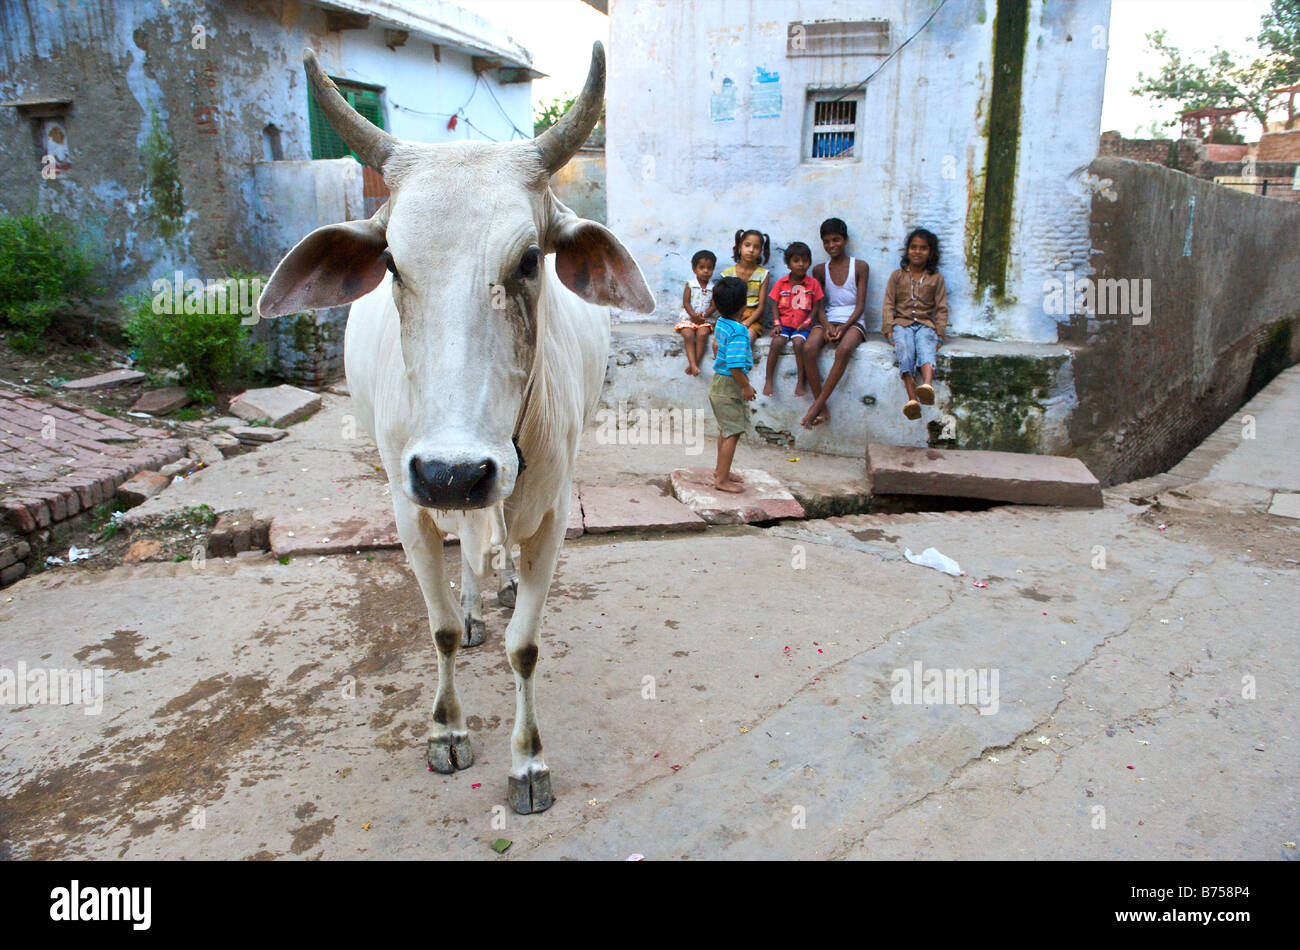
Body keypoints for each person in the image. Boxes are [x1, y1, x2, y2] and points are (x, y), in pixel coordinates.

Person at [801, 218, 869, 428]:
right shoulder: (819, 270)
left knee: (844, 349)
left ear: (845, 240)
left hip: (853, 320)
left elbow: (860, 306)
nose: (832, 245)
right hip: (828, 318)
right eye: (827, 241)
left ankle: (816, 406)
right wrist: (828, 325)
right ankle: (824, 409)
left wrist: (844, 327)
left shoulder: (860, 267)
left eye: (836, 240)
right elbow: (819, 305)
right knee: (809, 348)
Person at [882, 228, 948, 420]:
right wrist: (889, 332)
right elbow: (888, 303)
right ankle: (912, 399)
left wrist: (941, 335)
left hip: (926, 324)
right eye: (913, 247)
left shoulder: (936, 278)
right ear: (907, 250)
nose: (917, 252)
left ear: (931, 253)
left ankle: (927, 385)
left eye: (923, 248)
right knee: (905, 351)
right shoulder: (897, 276)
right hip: (901, 324)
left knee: (927, 345)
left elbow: (941, 307)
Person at [707, 276, 756, 493]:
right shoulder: (739, 331)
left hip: (719, 383)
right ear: (744, 305)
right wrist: (745, 386)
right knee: (732, 433)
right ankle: (720, 480)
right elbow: (735, 365)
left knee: (726, 430)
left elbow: (718, 347)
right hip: (729, 385)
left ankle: (722, 471)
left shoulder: (721, 322)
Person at [763, 241, 824, 398]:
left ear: (809, 262)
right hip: (783, 325)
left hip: (802, 326)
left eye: (805, 261)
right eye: (796, 261)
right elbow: (774, 305)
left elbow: (816, 307)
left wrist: (807, 323)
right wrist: (776, 324)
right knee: (776, 343)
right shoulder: (781, 283)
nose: (801, 264)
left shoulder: (813, 284)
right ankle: (768, 380)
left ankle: (801, 380)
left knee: (798, 344)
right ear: (788, 264)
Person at [720, 229, 771, 344]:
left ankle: (739, 362)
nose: (751, 250)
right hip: (731, 316)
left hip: (753, 319)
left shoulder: (763, 274)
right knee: (717, 344)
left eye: (756, 247)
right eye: (747, 245)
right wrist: (733, 322)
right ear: (739, 247)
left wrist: (747, 322)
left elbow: (761, 306)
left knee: (744, 341)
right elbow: (724, 305)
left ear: (760, 251)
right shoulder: (728, 274)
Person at [675, 249, 716, 376]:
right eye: (701, 267)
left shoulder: (713, 287)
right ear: (694, 269)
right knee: (688, 335)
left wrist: (704, 316)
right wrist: (693, 315)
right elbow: (686, 302)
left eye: (709, 268)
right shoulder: (690, 285)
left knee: (703, 335)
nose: (705, 271)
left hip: (704, 320)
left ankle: (694, 364)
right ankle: (693, 364)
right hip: (689, 318)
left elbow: (714, 305)